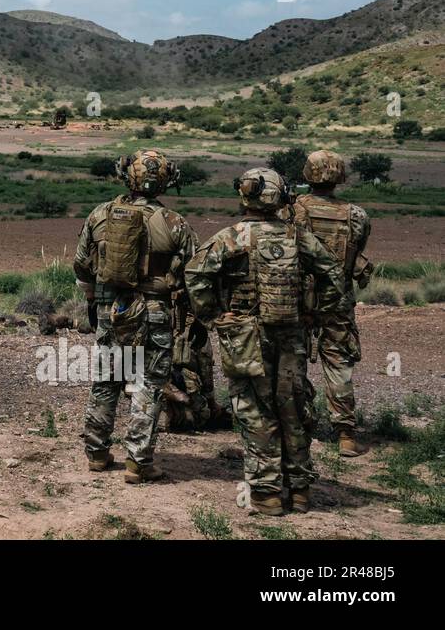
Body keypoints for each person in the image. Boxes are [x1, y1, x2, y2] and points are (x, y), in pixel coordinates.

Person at [186, 167, 346, 516]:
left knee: (255, 411)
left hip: (245, 336)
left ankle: (267, 493)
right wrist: (317, 316)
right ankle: (300, 490)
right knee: (293, 407)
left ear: (246, 196)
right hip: (291, 336)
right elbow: (333, 274)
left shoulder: (232, 237)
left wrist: (212, 316)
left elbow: (196, 274)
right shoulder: (298, 237)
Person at [74, 150, 195, 483]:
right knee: (149, 385)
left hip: (111, 310)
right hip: (155, 312)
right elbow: (193, 274)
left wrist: (99, 302)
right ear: (165, 182)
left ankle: (97, 454)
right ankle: (138, 462)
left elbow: (82, 268)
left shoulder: (100, 215)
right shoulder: (175, 223)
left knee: (106, 382)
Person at [294, 150, 374, 457]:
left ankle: (299, 425)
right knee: (339, 365)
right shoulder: (357, 215)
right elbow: (356, 251)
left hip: (297, 299)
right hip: (337, 299)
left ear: (308, 174)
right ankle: (345, 435)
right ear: (339, 176)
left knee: (294, 363)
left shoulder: (292, 210)